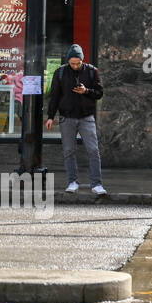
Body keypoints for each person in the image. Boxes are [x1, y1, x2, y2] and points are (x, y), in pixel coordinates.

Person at [45, 44, 106, 195]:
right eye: (72, 63)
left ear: (82, 61)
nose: (75, 66)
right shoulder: (60, 73)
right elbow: (54, 96)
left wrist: (86, 91)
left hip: (86, 117)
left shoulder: (92, 72)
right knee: (69, 151)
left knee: (93, 150)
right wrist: (50, 117)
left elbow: (99, 93)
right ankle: (72, 182)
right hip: (67, 117)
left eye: (78, 63)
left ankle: (97, 184)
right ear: (68, 61)